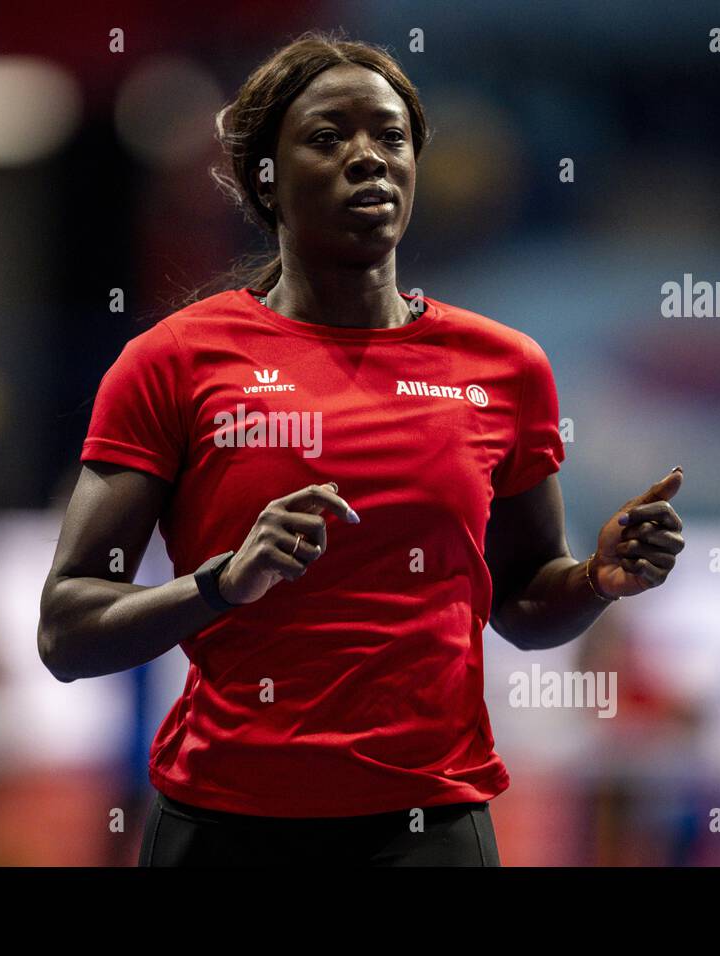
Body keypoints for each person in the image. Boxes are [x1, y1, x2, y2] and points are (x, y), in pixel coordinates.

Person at [37, 30, 685, 866]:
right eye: (328, 136)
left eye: (390, 136)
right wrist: (225, 583)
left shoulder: (505, 368)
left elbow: (522, 604)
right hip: (222, 827)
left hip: (428, 828)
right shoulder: (172, 363)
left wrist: (597, 581)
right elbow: (67, 630)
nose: (369, 157)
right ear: (263, 177)